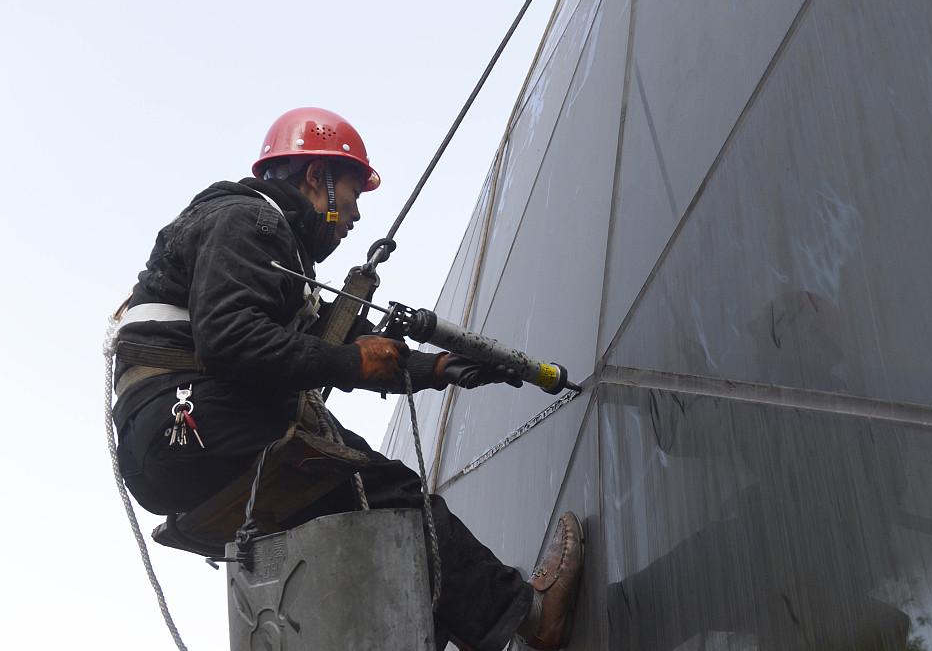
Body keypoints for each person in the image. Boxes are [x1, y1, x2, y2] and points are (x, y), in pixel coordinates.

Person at [112, 107, 583, 651]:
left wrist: (442, 368)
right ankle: (528, 615)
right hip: (190, 417)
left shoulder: (269, 257)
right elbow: (233, 340)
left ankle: (458, 628)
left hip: (171, 446)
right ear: (317, 178)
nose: (357, 215)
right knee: (391, 495)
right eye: (355, 193)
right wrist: (350, 364)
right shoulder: (248, 221)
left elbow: (341, 343)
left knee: (357, 520)